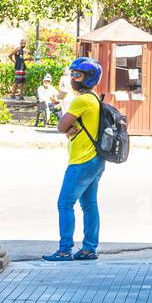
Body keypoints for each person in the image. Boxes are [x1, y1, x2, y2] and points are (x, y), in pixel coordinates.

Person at [42, 57, 106, 262]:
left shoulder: (82, 101)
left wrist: (67, 126)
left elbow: (61, 126)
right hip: (95, 160)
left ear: (88, 78)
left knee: (64, 203)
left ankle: (64, 249)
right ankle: (89, 248)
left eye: (77, 75)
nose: (72, 78)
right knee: (89, 205)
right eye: (72, 74)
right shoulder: (94, 99)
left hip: (81, 161)